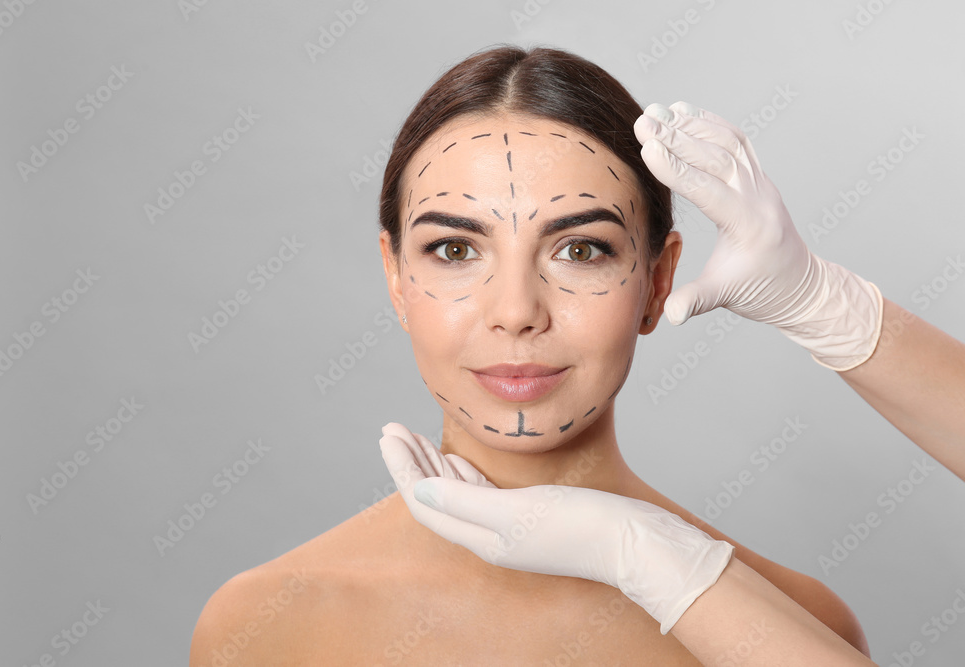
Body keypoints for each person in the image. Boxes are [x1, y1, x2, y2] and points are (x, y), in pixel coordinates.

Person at [189, 44, 877, 665]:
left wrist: (659, 564)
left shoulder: (795, 625)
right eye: (455, 250)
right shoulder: (265, 625)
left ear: (657, 281)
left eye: (581, 249)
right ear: (396, 277)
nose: (517, 311)